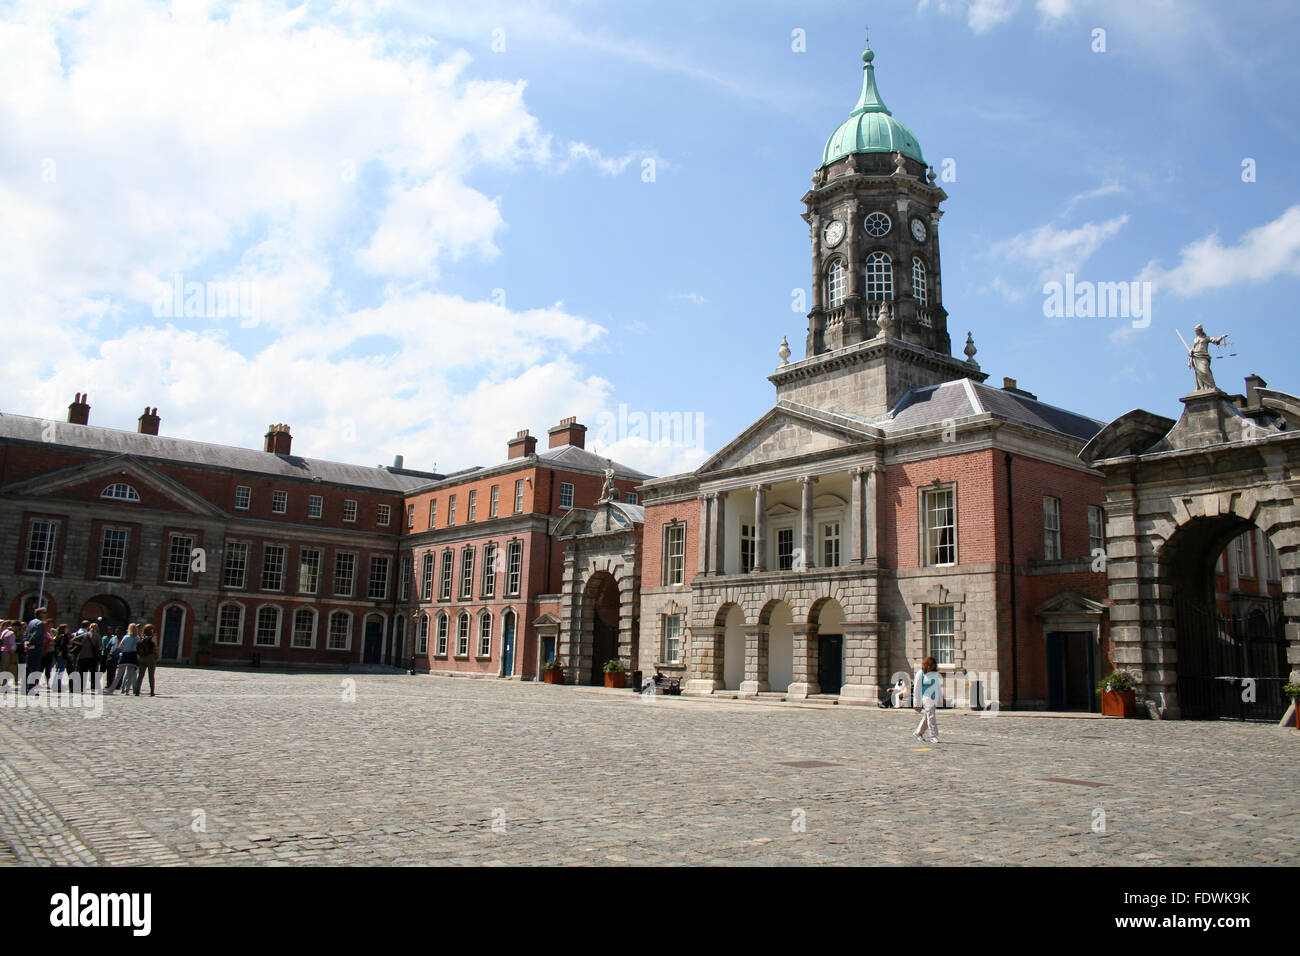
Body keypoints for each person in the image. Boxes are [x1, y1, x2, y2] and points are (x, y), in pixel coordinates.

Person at [911, 656, 942, 744]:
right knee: (931, 717)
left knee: (927, 717)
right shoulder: (920, 673)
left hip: (934, 698)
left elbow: (938, 687)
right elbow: (916, 689)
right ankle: (933, 736)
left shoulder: (935, 674)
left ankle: (918, 732)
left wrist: (940, 698)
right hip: (926, 698)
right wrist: (916, 702)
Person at [109, 624, 140, 696]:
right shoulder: (137, 638)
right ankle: (127, 691)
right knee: (130, 675)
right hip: (132, 656)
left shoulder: (126, 637)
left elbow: (120, 646)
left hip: (125, 655)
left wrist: (125, 647)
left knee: (119, 674)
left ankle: (112, 689)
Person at [23, 609, 48, 694]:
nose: (46, 614)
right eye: (44, 613)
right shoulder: (40, 623)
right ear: (40, 614)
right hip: (37, 647)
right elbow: (36, 635)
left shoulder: (31, 622)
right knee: (35, 668)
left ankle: (26, 687)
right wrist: (30, 642)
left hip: (30, 647)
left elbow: (26, 633)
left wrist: (26, 642)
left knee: (28, 667)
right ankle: (31, 688)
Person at [73, 622, 101, 693]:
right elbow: (100, 647)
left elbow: (74, 639)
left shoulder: (85, 634)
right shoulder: (97, 636)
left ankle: (82, 688)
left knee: (82, 673)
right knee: (93, 673)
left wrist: (81, 644)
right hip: (92, 658)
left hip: (82, 657)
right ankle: (93, 688)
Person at [135, 624, 158, 697]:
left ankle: (137, 691)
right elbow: (155, 646)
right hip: (150, 657)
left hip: (141, 657)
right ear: (151, 630)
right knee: (151, 675)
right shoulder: (152, 637)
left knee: (140, 675)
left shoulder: (141, 638)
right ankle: (152, 691)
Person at [51, 624, 73, 693]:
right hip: (63, 655)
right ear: (64, 629)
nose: (68, 629)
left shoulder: (58, 636)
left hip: (59, 655)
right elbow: (62, 646)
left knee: (58, 671)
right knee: (60, 671)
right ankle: (57, 687)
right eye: (66, 628)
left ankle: (55, 686)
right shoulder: (64, 636)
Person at [0, 621, 17, 686]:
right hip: (7, 653)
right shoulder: (11, 633)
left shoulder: (4, 631)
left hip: (3, 651)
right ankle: (3, 685)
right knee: (6, 669)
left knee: (2, 668)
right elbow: (11, 646)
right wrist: (12, 656)